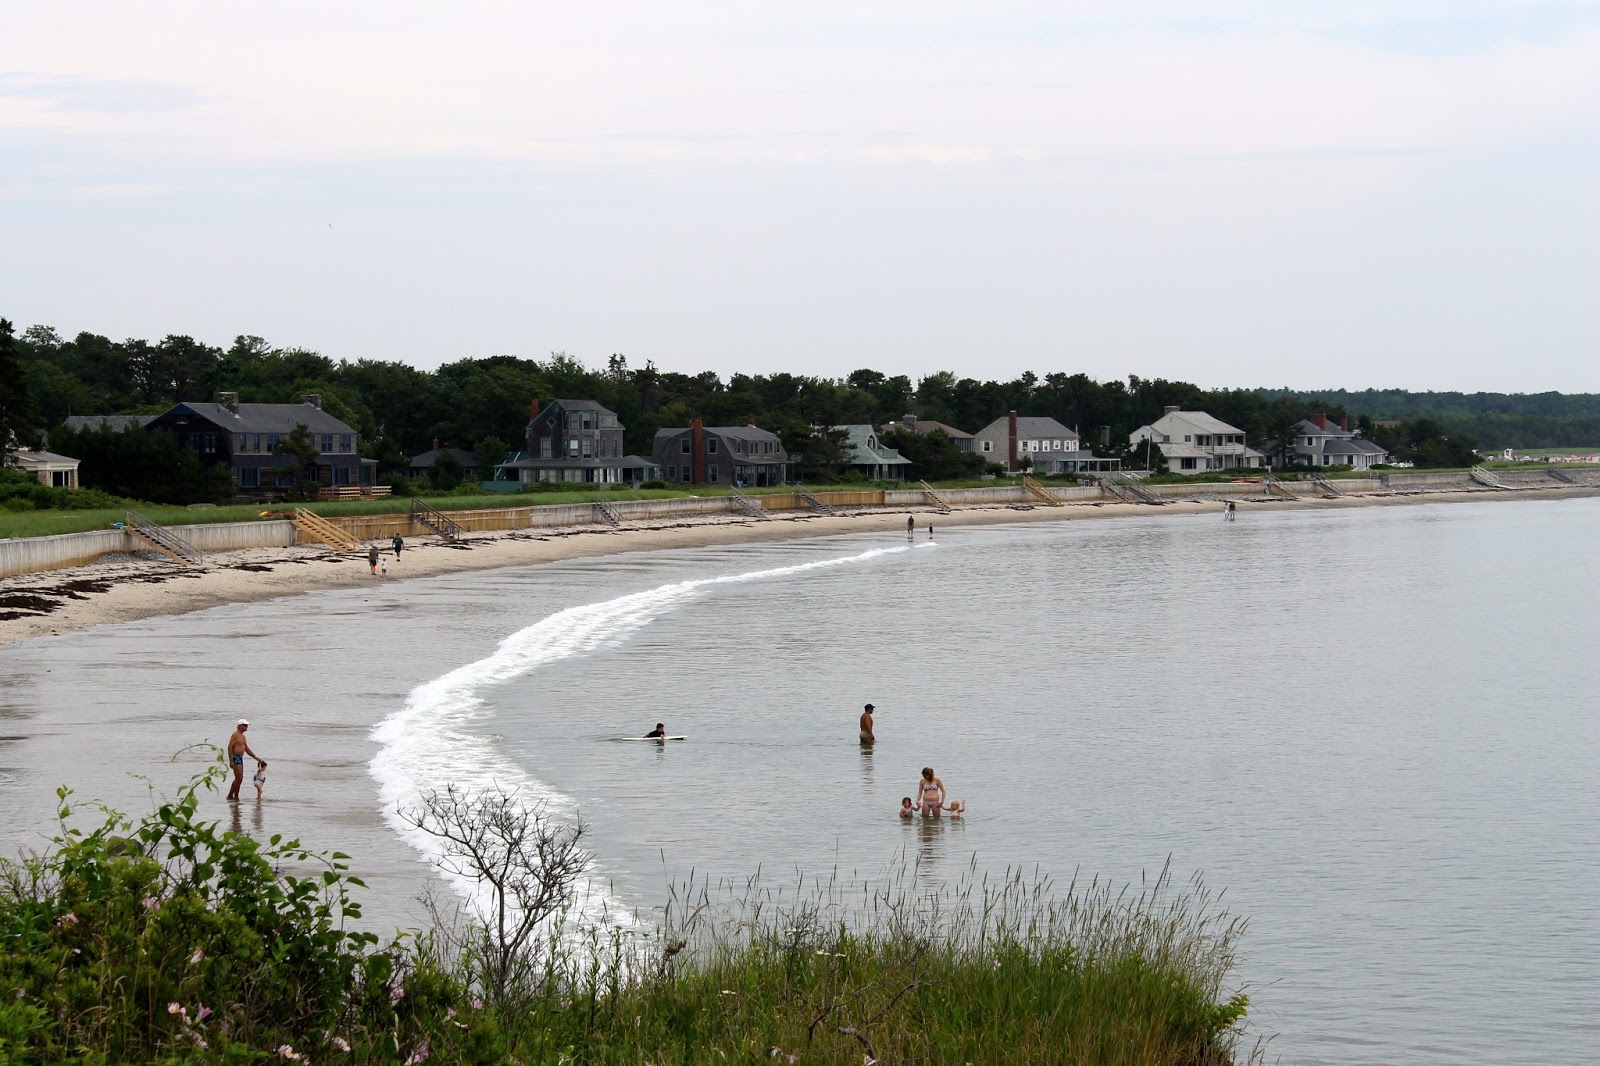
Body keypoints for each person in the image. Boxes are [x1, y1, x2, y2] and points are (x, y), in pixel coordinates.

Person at [226, 719, 263, 802]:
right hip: (235, 757)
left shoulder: (242, 736)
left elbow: (246, 748)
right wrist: (231, 761)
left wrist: (255, 757)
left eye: (247, 725)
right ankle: (233, 796)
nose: (247, 727)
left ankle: (232, 795)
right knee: (238, 778)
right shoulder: (235, 734)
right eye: (245, 725)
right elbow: (229, 747)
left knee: (240, 778)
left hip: (240, 757)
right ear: (240, 726)